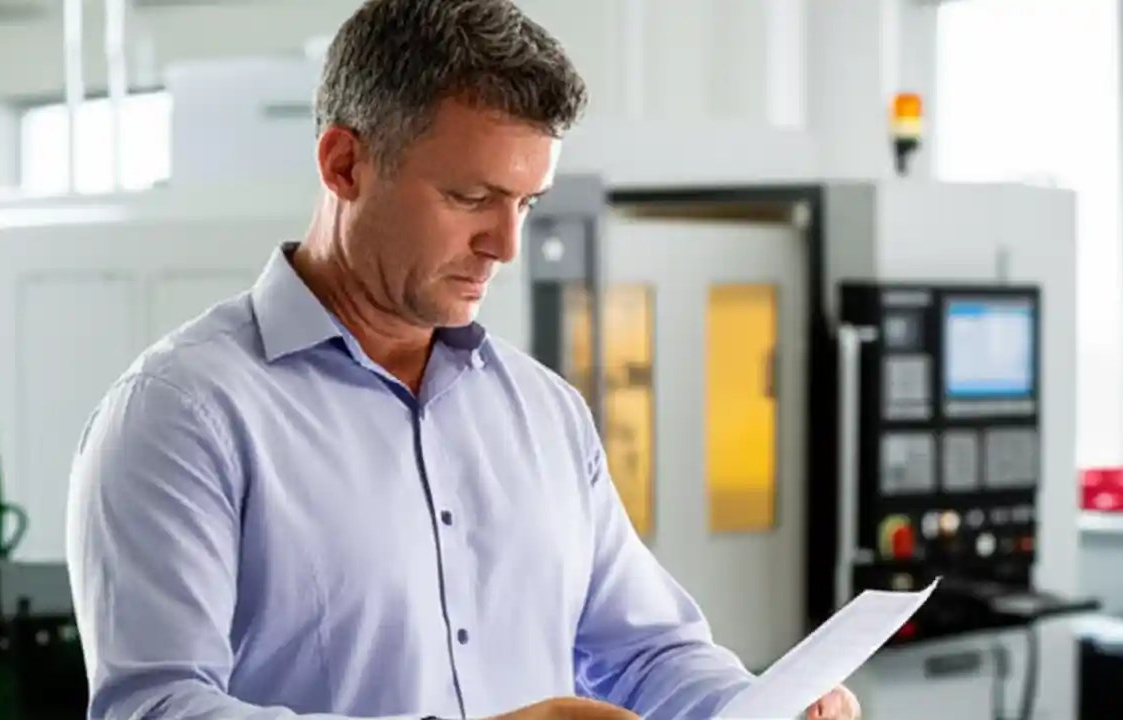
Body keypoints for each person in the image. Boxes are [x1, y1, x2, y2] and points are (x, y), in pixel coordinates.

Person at [65, 1, 861, 719]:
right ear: (344, 164)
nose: (506, 245)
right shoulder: (184, 414)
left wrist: (760, 707)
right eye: (471, 199)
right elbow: (157, 707)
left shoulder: (544, 412)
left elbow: (646, 651)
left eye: (527, 205)